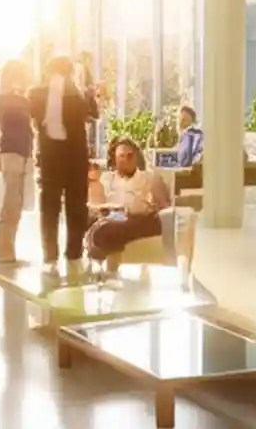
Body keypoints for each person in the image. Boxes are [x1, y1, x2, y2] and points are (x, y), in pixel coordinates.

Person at [29, 56, 99, 272]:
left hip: (72, 157)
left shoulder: (78, 95)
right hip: (56, 157)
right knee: (54, 207)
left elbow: (94, 114)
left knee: (72, 206)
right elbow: (36, 116)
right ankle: (55, 255)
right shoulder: (39, 94)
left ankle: (70, 253)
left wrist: (84, 93)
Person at [85, 138, 172, 269]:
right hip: (113, 217)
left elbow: (165, 207)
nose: (126, 159)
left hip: (140, 219)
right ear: (114, 159)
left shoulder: (149, 178)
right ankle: (100, 261)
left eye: (130, 155)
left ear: (136, 157)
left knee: (104, 228)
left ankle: (99, 262)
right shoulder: (106, 179)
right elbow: (95, 203)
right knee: (90, 219)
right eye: (121, 156)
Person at [0, 60, 33, 265]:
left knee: (17, 204)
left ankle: (9, 249)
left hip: (23, 154)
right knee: (10, 203)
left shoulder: (23, 100)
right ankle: (4, 251)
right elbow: (7, 121)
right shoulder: (5, 99)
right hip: (11, 153)